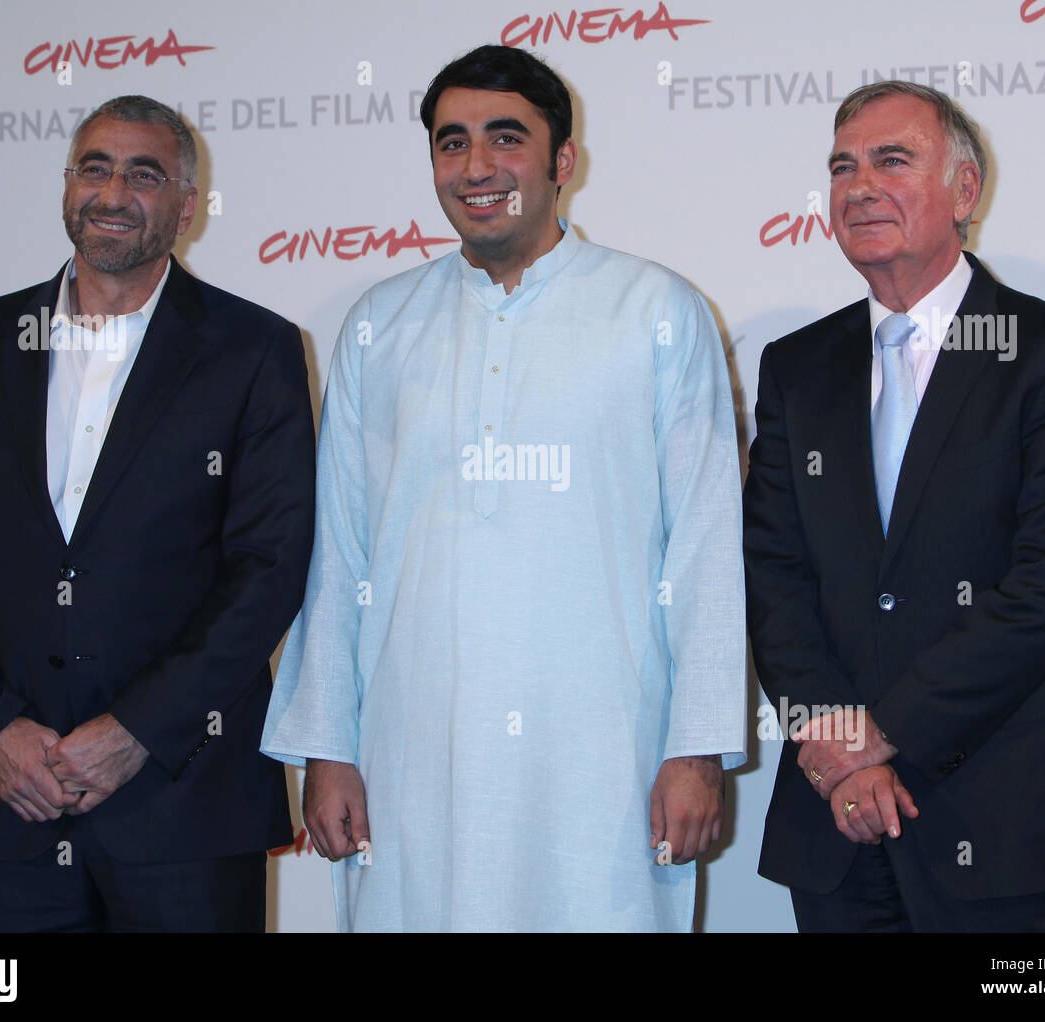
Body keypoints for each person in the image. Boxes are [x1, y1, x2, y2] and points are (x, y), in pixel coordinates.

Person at [262, 45, 745, 932]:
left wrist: (697, 747)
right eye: (452, 143)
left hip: (604, 752)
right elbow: (341, 550)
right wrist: (327, 749)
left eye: (505, 138)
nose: (477, 167)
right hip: (412, 755)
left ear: (563, 162)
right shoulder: (380, 325)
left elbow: (708, 545)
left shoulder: (657, 312)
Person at [0, 94, 315, 932]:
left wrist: (135, 731)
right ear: (66, 188)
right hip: (16, 802)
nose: (114, 192)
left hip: (184, 804)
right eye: (95, 168)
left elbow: (268, 568)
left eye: (144, 174)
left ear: (187, 205)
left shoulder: (254, 349)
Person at [744, 81, 1045, 931]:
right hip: (836, 824)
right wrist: (839, 755)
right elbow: (774, 578)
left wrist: (882, 734)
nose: (859, 184)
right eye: (842, 166)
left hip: (1007, 818)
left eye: (891, 159)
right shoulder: (796, 368)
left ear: (964, 190)